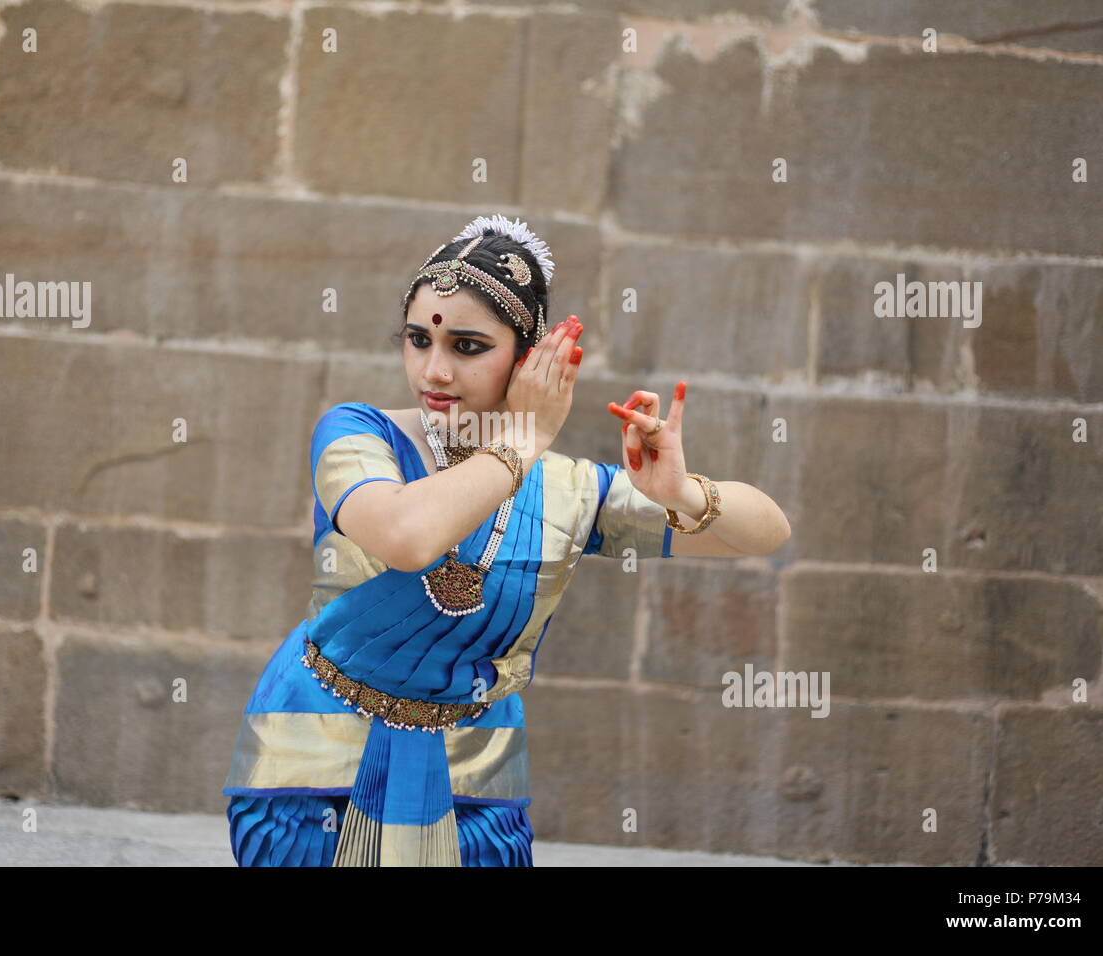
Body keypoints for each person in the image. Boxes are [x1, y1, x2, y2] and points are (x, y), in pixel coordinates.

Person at [222, 213, 792, 866]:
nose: (434, 371)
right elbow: (408, 537)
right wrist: (521, 438)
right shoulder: (358, 436)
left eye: (467, 346)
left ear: (527, 359)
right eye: (417, 339)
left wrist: (681, 493)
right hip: (316, 766)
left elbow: (767, 530)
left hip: (473, 777)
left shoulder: (570, 492)